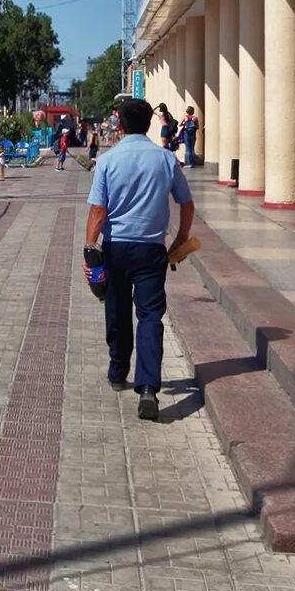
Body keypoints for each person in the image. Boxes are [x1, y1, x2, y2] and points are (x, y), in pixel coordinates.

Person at [85, 97, 195, 422]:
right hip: (152, 250)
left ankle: (118, 372)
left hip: (117, 247)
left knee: (116, 308)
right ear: (149, 125)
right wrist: (181, 238)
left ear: (119, 124)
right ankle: (148, 387)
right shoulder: (165, 159)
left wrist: (90, 248)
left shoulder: (108, 160)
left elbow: (97, 210)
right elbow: (186, 204)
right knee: (150, 316)